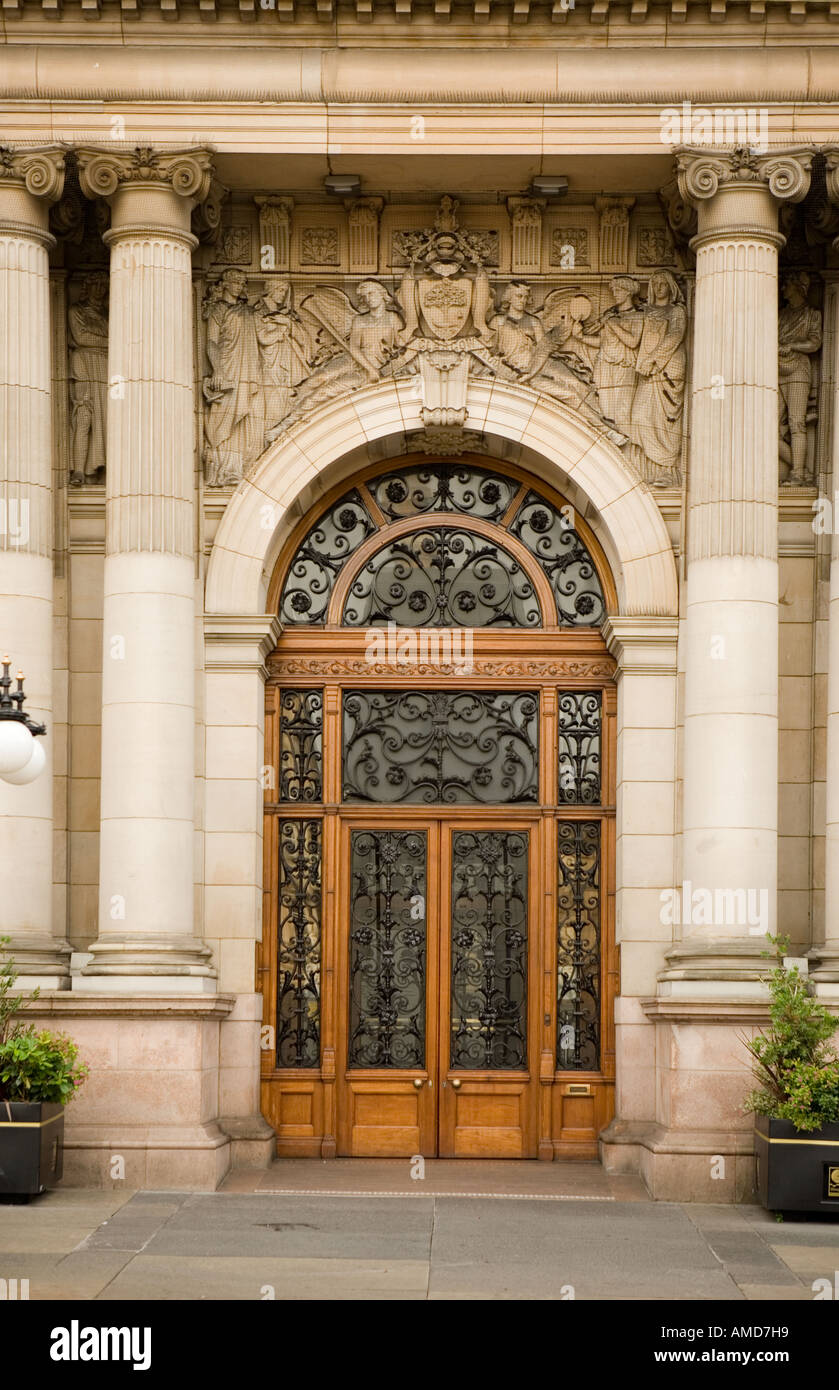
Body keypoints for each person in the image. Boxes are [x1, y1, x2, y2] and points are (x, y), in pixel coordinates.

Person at [629, 270, 687, 485]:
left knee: (666, 420)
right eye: (656, 283)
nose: (659, 287)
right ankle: (648, 469)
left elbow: (675, 335)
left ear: (671, 287)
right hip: (648, 370)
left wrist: (654, 359)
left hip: (668, 368)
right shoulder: (646, 311)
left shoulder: (677, 311)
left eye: (664, 283)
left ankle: (669, 470)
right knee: (640, 416)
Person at [778, 271, 822, 484]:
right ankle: (802, 469)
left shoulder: (811, 314)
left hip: (797, 372)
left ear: (798, 287)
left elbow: (815, 343)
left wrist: (791, 346)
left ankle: (797, 472)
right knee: (766, 426)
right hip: (775, 370)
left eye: (787, 283)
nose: (783, 288)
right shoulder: (780, 315)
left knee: (796, 423)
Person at [69, 272, 109, 486]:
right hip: (84, 367)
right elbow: (80, 337)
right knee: (84, 417)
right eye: (96, 283)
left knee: (106, 420)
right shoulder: (76, 311)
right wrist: (111, 341)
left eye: (103, 285)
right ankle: (78, 470)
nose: (100, 289)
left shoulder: (108, 315)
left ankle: (101, 467)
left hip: (105, 368)